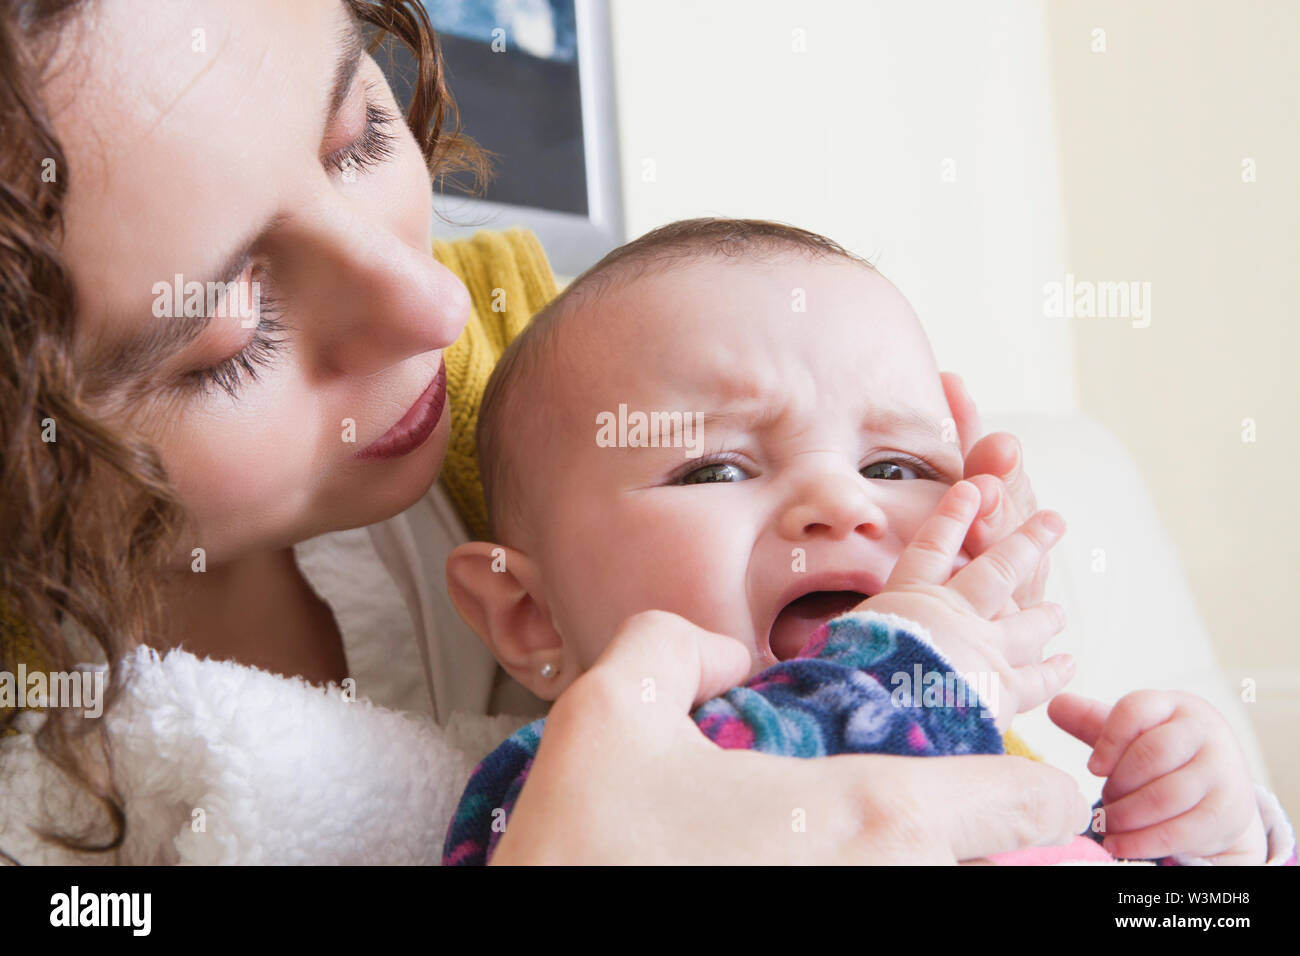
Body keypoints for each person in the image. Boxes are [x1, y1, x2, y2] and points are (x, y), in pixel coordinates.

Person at [0, 0, 1085, 865]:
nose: (435, 308)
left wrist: (958, 649)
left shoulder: (575, 356)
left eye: (356, 136)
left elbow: (984, 802)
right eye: (233, 334)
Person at [443, 219, 1294, 866]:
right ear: (531, 616)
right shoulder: (569, 791)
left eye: (895, 465)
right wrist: (906, 671)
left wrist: (1206, 840)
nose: (841, 502)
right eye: (714, 470)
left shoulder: (1007, 771)